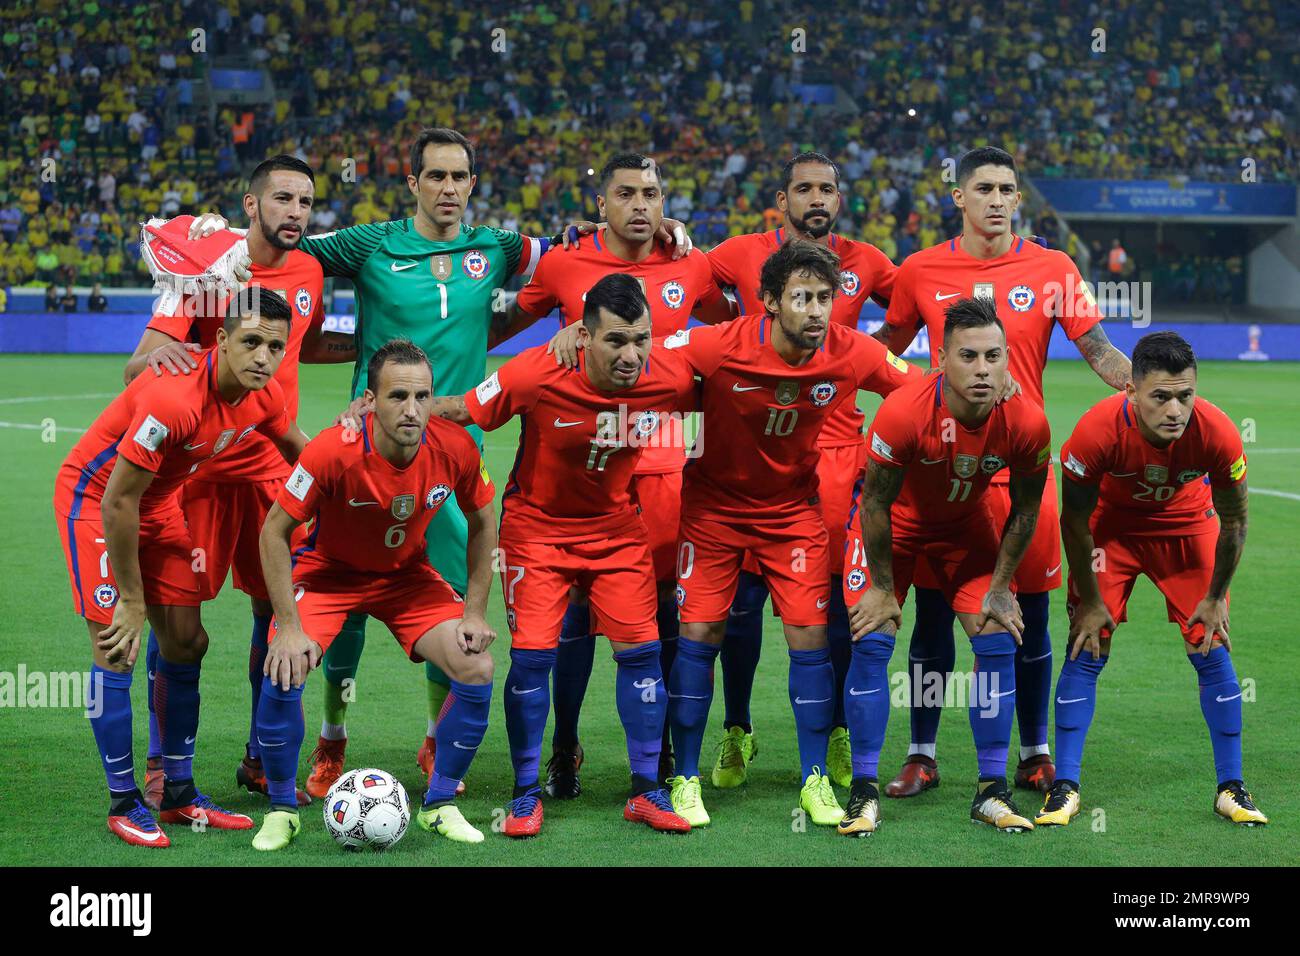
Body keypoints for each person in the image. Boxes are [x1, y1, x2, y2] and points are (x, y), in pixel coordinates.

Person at [190, 128, 691, 798]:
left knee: (453, 611)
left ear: (473, 185)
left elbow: (580, 251)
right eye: (436, 177)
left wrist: (664, 231)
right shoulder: (372, 244)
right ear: (414, 184)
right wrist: (218, 235)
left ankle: (433, 740)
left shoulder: (498, 247)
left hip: (455, 463)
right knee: (345, 612)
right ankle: (333, 739)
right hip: (365, 453)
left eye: (460, 178)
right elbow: (282, 243)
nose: (448, 190)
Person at [875, 146, 1131, 797]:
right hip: (939, 473)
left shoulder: (1052, 267)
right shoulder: (920, 269)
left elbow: (1100, 352)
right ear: (958, 197)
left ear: (1018, 199)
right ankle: (922, 754)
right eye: (983, 187)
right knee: (933, 615)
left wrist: (1157, 392)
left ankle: (1035, 753)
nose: (996, 199)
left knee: (1032, 616)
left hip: (1022, 470)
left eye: (1006, 189)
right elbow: (881, 355)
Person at [659, 239, 921, 828]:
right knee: (700, 632)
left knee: (810, 639)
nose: (816, 311)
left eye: (825, 298)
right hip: (713, 510)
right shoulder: (719, 344)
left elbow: (921, 389)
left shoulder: (849, 351)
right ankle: (686, 778)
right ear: (770, 301)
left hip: (790, 513)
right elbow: (644, 357)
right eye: (801, 298)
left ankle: (813, 779)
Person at [436, 274, 700, 836]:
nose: (631, 356)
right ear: (584, 335)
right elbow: (463, 409)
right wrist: (390, 408)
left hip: (617, 528)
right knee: (532, 659)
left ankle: (646, 790)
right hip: (537, 530)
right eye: (615, 342)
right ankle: (526, 793)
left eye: (641, 340)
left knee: (643, 657)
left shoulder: (670, 377)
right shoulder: (535, 372)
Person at [502, 152, 728, 798]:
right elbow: (501, 321)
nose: (639, 204)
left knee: (655, 617)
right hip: (577, 472)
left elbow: (730, 333)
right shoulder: (563, 263)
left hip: (664, 469)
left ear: (665, 203)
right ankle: (564, 749)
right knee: (570, 615)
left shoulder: (693, 264)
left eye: (651, 193)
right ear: (600, 204)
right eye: (625, 192)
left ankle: (652, 757)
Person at [128, 155, 348, 810]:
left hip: (269, 466)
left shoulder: (309, 269)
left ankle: (262, 757)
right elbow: (139, 364)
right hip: (193, 471)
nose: (295, 213)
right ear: (251, 206)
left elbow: (299, 342)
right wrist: (171, 359)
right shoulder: (207, 262)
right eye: (282, 199)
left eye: (306, 203)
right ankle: (167, 768)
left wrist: (362, 346)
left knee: (274, 614)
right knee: (182, 634)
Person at [52, 291, 308, 847]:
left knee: (187, 643)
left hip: (159, 503)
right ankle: (124, 800)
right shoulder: (175, 398)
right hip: (95, 502)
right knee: (117, 646)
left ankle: (178, 792)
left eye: (274, 346)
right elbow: (118, 501)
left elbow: (300, 451)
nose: (263, 357)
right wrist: (132, 597)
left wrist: (353, 469)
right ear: (221, 340)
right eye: (250, 342)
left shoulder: (263, 397)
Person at [700, 150, 898, 790]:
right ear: (781, 200)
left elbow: (917, 297)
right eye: (803, 188)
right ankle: (737, 730)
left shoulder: (865, 261)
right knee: (741, 604)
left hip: (838, 458)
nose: (816, 198)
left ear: (839, 199)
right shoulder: (737, 253)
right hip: (751, 446)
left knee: (832, 605)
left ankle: (835, 733)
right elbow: (679, 285)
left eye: (827, 189)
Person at [252, 340, 498, 850]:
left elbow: (482, 521)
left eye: (422, 396)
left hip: (406, 577)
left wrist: (474, 611)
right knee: (285, 664)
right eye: (397, 397)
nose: (412, 410)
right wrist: (290, 628)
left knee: (477, 666)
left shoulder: (455, 447)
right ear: (371, 400)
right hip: (328, 576)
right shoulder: (332, 449)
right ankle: (280, 808)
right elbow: (273, 532)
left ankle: (440, 802)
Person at [843, 296, 1051, 835]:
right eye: (968, 356)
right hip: (897, 531)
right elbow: (875, 505)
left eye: (992, 356)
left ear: (1008, 360)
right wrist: (884, 589)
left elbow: (1025, 510)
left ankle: (991, 791)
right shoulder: (905, 411)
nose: (982, 369)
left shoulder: (1026, 420)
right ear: (941, 358)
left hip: (966, 531)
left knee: (998, 635)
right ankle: (862, 792)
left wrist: (1002, 587)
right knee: (873, 635)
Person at [1040, 331, 1265, 827]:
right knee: (1087, 640)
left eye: (1185, 396)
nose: (1175, 410)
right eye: (1160, 397)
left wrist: (1214, 596)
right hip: (1112, 530)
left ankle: (1232, 788)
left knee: (1211, 642)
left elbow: (1235, 521)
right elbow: (1074, 522)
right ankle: (1065, 787)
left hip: (1186, 528)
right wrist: (1092, 600)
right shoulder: (1095, 433)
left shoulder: (1219, 434)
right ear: (1131, 391)